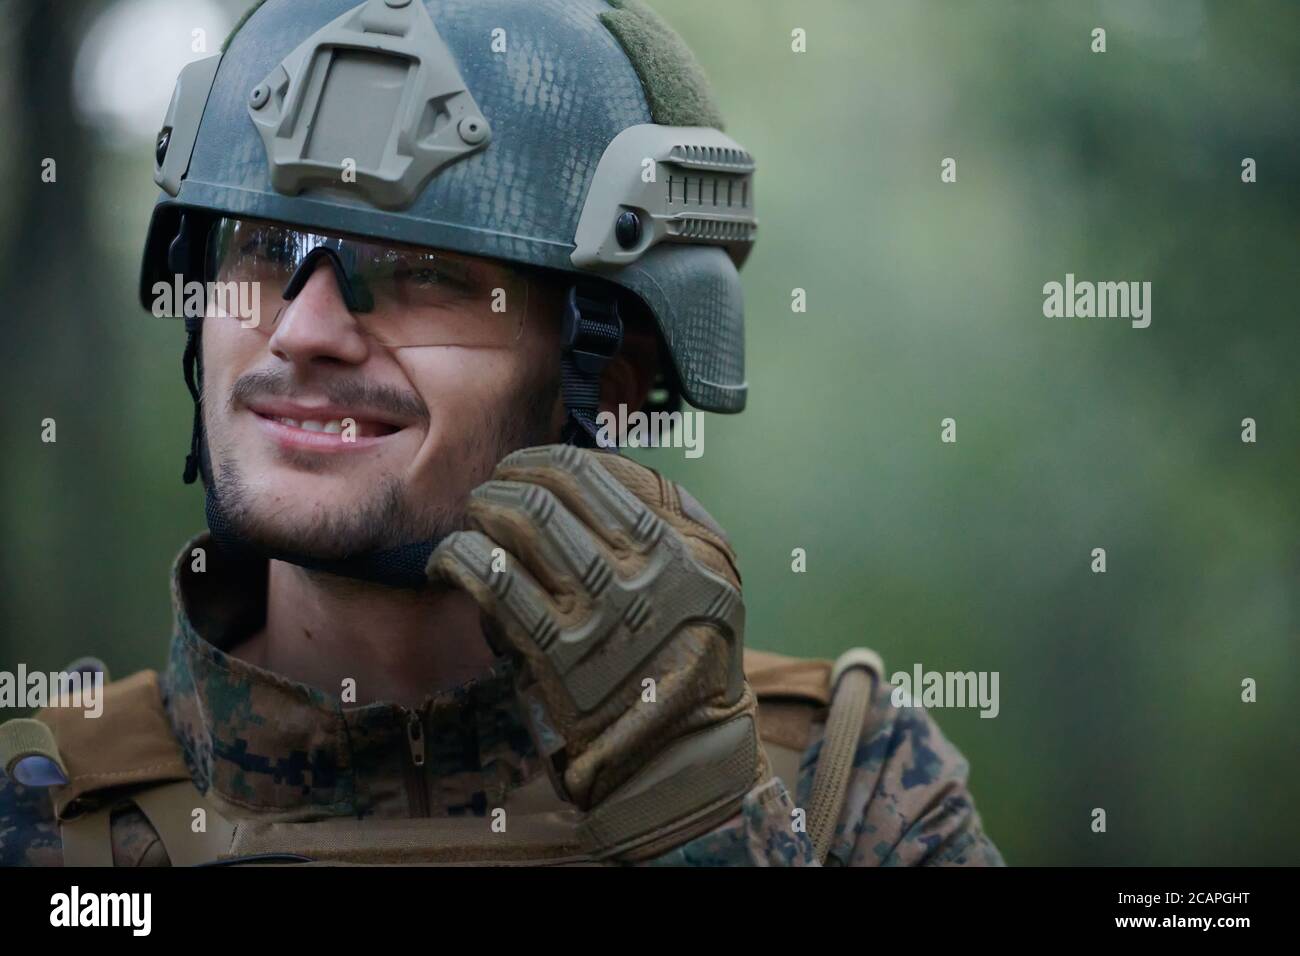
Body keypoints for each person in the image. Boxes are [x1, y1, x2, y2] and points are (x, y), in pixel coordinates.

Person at [0, 0, 1002, 867]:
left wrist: (703, 818)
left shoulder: (839, 784)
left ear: (603, 378)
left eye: (422, 270)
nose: (304, 331)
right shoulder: (42, 814)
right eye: (265, 250)